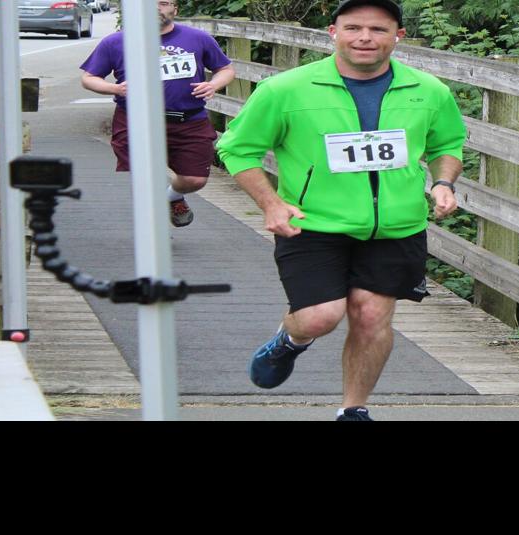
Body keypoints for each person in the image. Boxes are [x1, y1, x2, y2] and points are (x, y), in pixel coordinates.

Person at [215, 0, 466, 421]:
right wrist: (271, 203)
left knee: (371, 317)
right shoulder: (286, 90)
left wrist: (443, 182)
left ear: (398, 37)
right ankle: (289, 341)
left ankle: (353, 409)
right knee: (318, 317)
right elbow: (236, 148)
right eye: (353, 28)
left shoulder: (429, 91)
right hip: (313, 223)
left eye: (378, 29)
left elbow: (447, 145)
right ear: (333, 32)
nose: (364, 38)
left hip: (396, 225)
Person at [80, 0, 234, 227]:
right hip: (136, 121)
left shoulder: (197, 39)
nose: (156, 8)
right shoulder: (116, 42)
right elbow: (89, 78)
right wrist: (116, 88)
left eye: (163, 3)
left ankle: (171, 196)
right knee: (146, 176)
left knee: (195, 179)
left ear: (175, 9)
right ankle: (153, 234)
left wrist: (213, 85)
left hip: (188, 119)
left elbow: (226, 69)